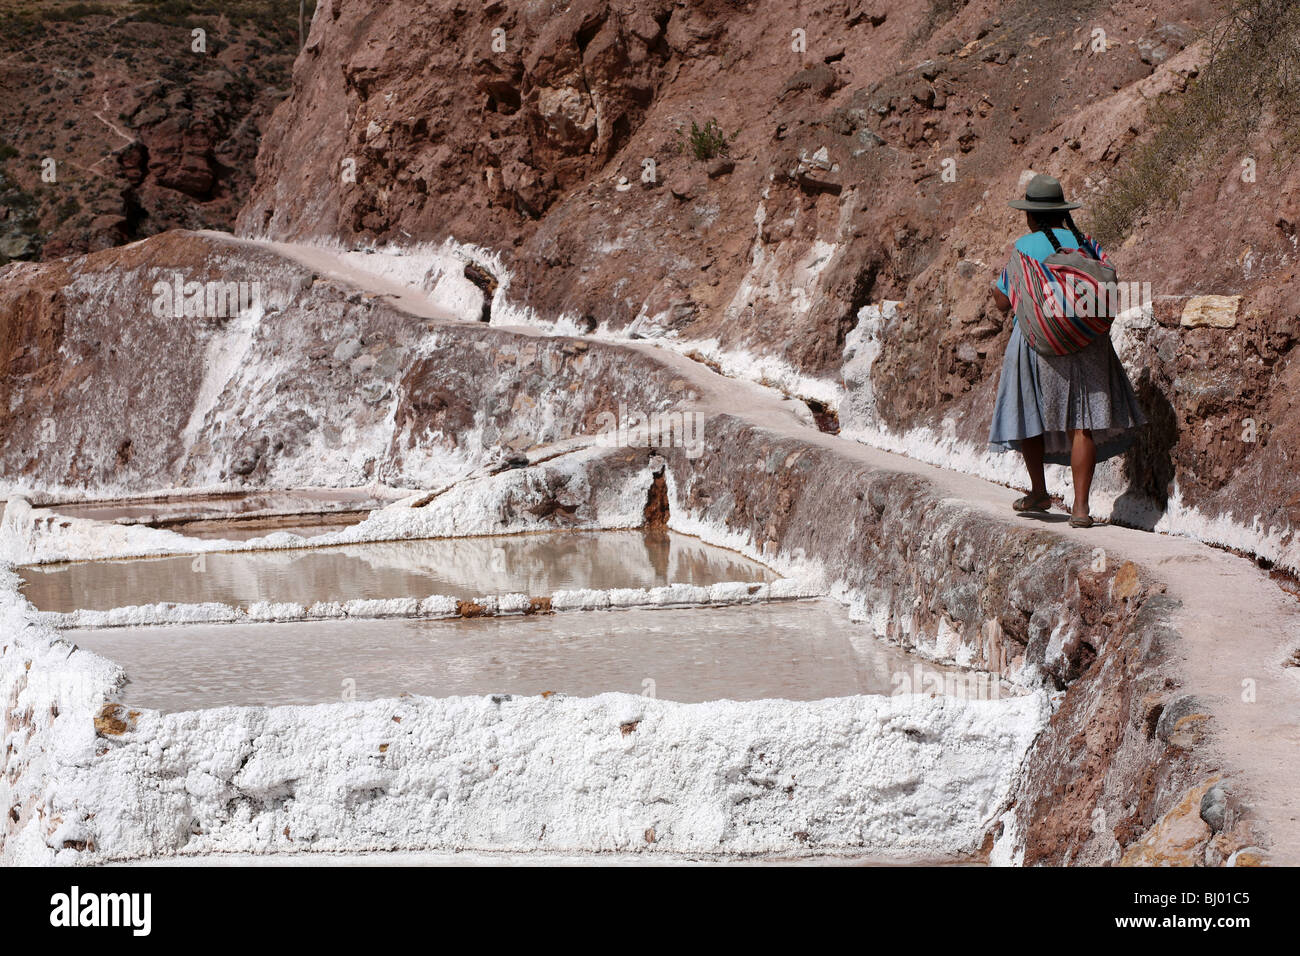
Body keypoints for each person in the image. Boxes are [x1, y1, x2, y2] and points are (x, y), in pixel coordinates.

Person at [987, 174, 1146, 528]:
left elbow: (1002, 300)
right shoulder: (1086, 243)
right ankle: (1081, 508)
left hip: (1037, 342)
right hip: (1088, 341)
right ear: (1061, 211)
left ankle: (1039, 491)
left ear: (1030, 214)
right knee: (1083, 422)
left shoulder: (1024, 247)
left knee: (1029, 413)